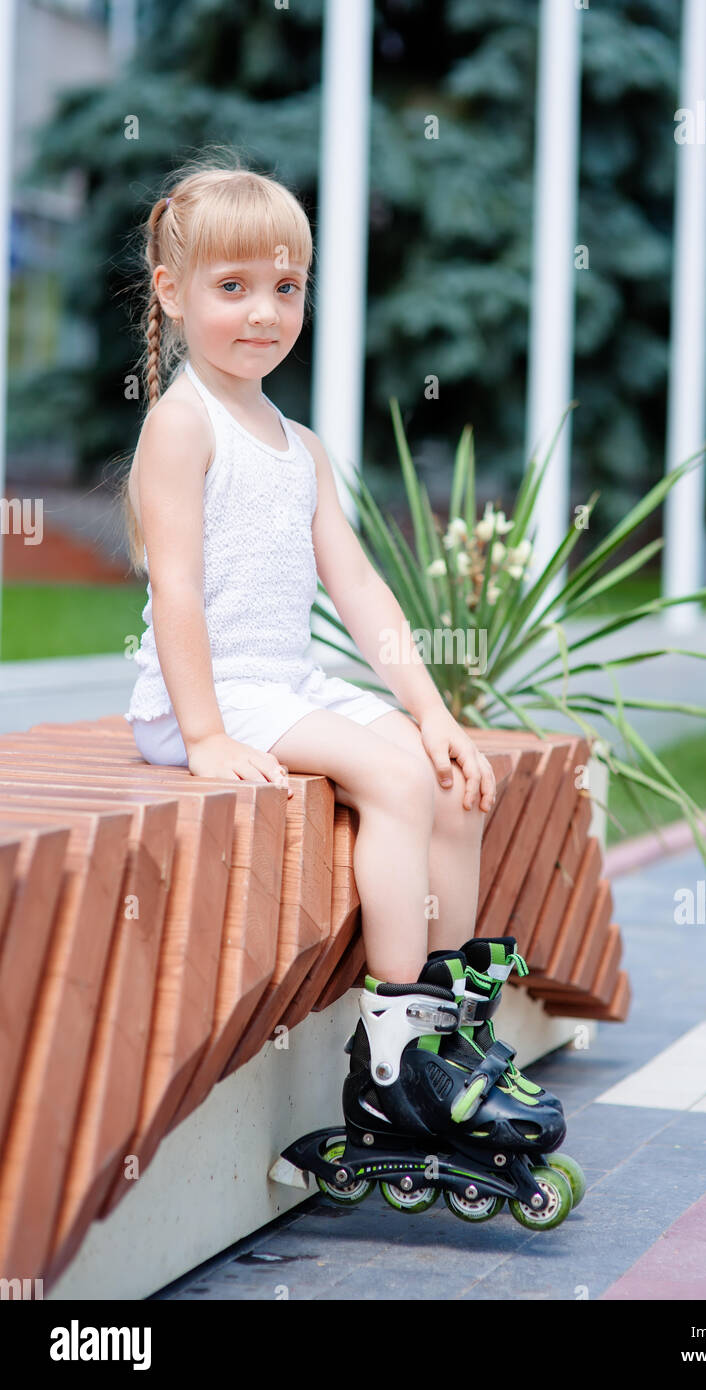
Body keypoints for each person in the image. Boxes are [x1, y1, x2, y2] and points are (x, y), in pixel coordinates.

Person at [122, 154, 497, 985]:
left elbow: (359, 588)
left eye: (286, 288)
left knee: (449, 779)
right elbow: (175, 588)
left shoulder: (303, 449)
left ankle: (455, 1023)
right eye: (233, 287)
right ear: (172, 292)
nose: (264, 312)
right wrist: (206, 735)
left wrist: (432, 712)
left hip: (287, 687)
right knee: (397, 782)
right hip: (207, 696)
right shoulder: (183, 427)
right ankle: (399, 1047)